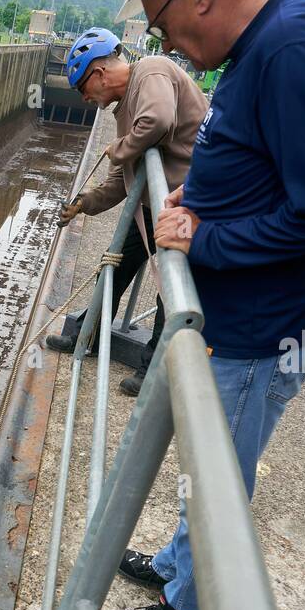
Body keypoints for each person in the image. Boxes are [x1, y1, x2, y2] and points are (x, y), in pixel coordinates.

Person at [102, 0, 305, 610]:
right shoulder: (272, 37)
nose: (162, 41)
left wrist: (205, 238)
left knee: (221, 473)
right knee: (205, 459)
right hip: (238, 322)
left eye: (159, 18)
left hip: (263, 333)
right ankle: (173, 565)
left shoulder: (295, 44)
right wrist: (205, 203)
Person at [47, 27, 208, 395]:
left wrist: (119, 148)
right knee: (114, 269)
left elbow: (158, 120)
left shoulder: (152, 70)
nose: (86, 99)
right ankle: (88, 336)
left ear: (100, 73)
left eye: (83, 88)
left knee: (170, 288)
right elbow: (120, 183)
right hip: (153, 205)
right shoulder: (123, 115)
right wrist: (84, 204)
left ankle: (152, 370)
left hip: (188, 206)